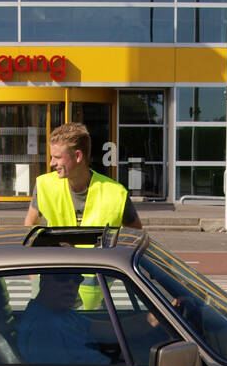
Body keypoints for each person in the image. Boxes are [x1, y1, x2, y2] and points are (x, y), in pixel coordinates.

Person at [25, 122, 141, 309]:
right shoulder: (44, 185)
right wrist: (34, 273)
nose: (51, 163)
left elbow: (135, 238)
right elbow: (30, 225)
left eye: (57, 157)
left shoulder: (115, 193)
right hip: (52, 290)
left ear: (77, 156)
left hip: (97, 294)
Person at [16, 271, 113, 366]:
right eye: (62, 277)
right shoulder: (42, 329)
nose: (71, 284)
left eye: (77, 279)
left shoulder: (61, 313)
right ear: (44, 279)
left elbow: (106, 330)